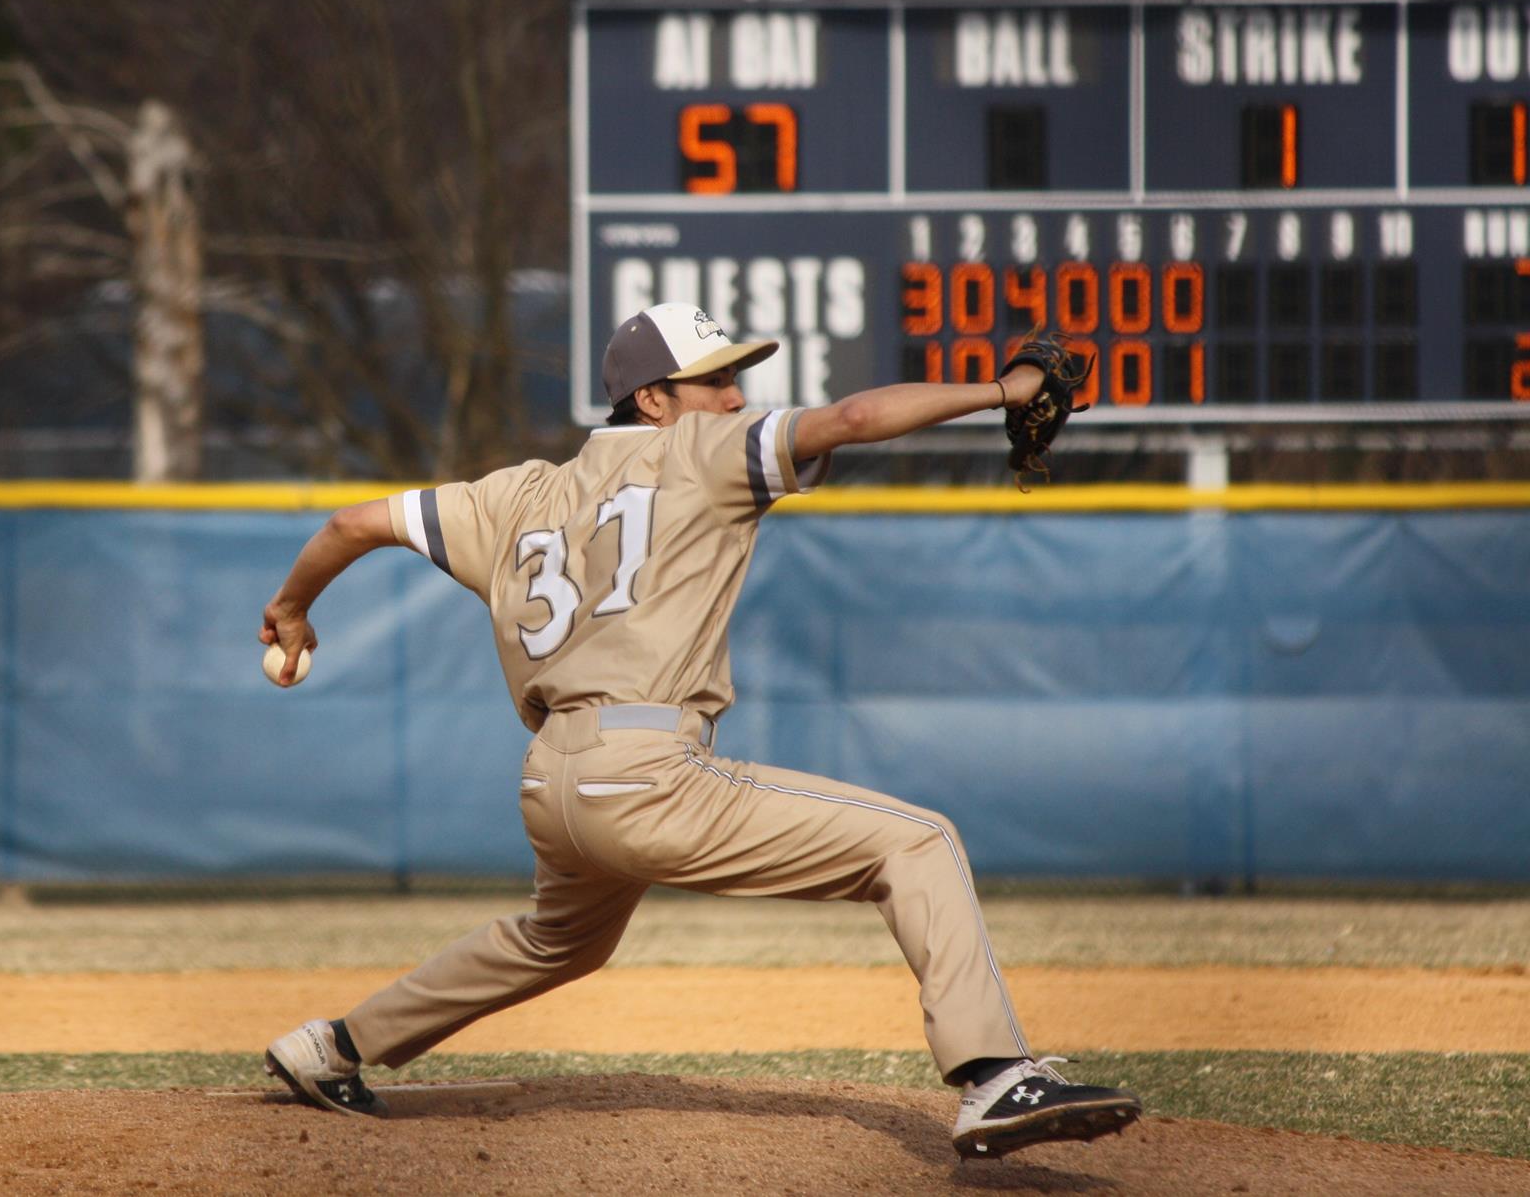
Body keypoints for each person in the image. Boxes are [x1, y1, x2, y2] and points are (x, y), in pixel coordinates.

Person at [259, 301, 1142, 1159]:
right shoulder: (701, 451)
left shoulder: (517, 493)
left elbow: (351, 522)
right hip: (646, 772)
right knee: (917, 844)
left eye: (735, 380)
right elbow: (859, 415)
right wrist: (1004, 388)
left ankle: (330, 1045)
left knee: (556, 940)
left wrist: (293, 607)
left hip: (549, 781)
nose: (733, 397)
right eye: (714, 380)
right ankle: (995, 1076)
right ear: (652, 400)